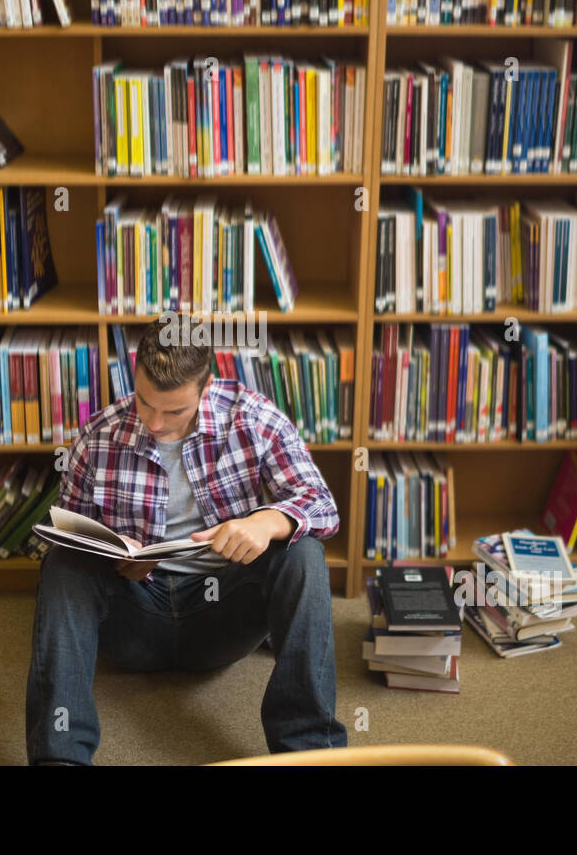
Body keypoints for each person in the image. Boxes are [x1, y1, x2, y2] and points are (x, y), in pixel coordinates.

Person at [25, 315, 348, 764]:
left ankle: (310, 754)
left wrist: (268, 520)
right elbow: (71, 532)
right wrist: (112, 555)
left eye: (173, 410)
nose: (154, 423)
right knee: (62, 566)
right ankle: (59, 759)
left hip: (221, 619)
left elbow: (322, 506)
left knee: (304, 554)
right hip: (133, 621)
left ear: (206, 386)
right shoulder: (99, 434)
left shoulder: (254, 418)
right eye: (144, 402)